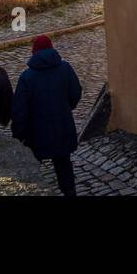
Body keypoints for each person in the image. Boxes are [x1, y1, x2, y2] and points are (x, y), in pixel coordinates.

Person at [11, 34, 83, 195]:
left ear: (33, 52)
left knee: (33, 167)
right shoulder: (65, 69)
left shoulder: (27, 77)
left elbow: (20, 109)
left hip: (36, 133)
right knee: (64, 165)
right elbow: (76, 93)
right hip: (62, 127)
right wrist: (66, 108)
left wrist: (18, 134)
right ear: (52, 48)